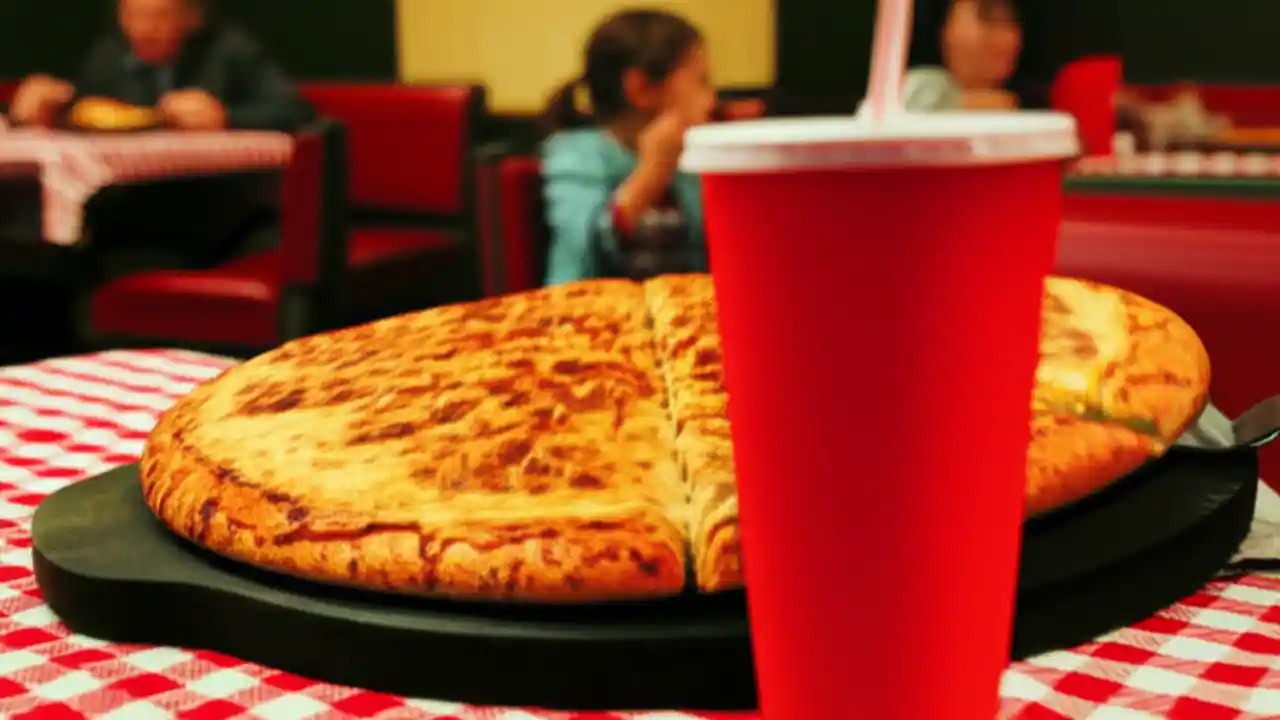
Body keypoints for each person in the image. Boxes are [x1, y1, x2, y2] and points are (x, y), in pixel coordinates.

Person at [539, 10, 761, 286]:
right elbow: (588, 250)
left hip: (680, 309)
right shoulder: (575, 156)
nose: (710, 98)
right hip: (586, 314)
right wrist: (653, 169)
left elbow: (713, 250)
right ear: (641, 88)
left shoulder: (688, 155)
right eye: (702, 81)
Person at [9, 0, 313, 131]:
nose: (144, 29)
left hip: (210, 206)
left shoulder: (229, 50)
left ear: (192, 19)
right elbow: (87, 110)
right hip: (125, 206)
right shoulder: (109, 54)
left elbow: (293, 110)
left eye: (159, 17)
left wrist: (226, 118)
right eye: (133, 15)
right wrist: (43, 111)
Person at [902, 0, 1022, 112]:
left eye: (1008, 20)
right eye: (989, 17)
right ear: (946, 32)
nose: (1007, 38)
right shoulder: (921, 88)